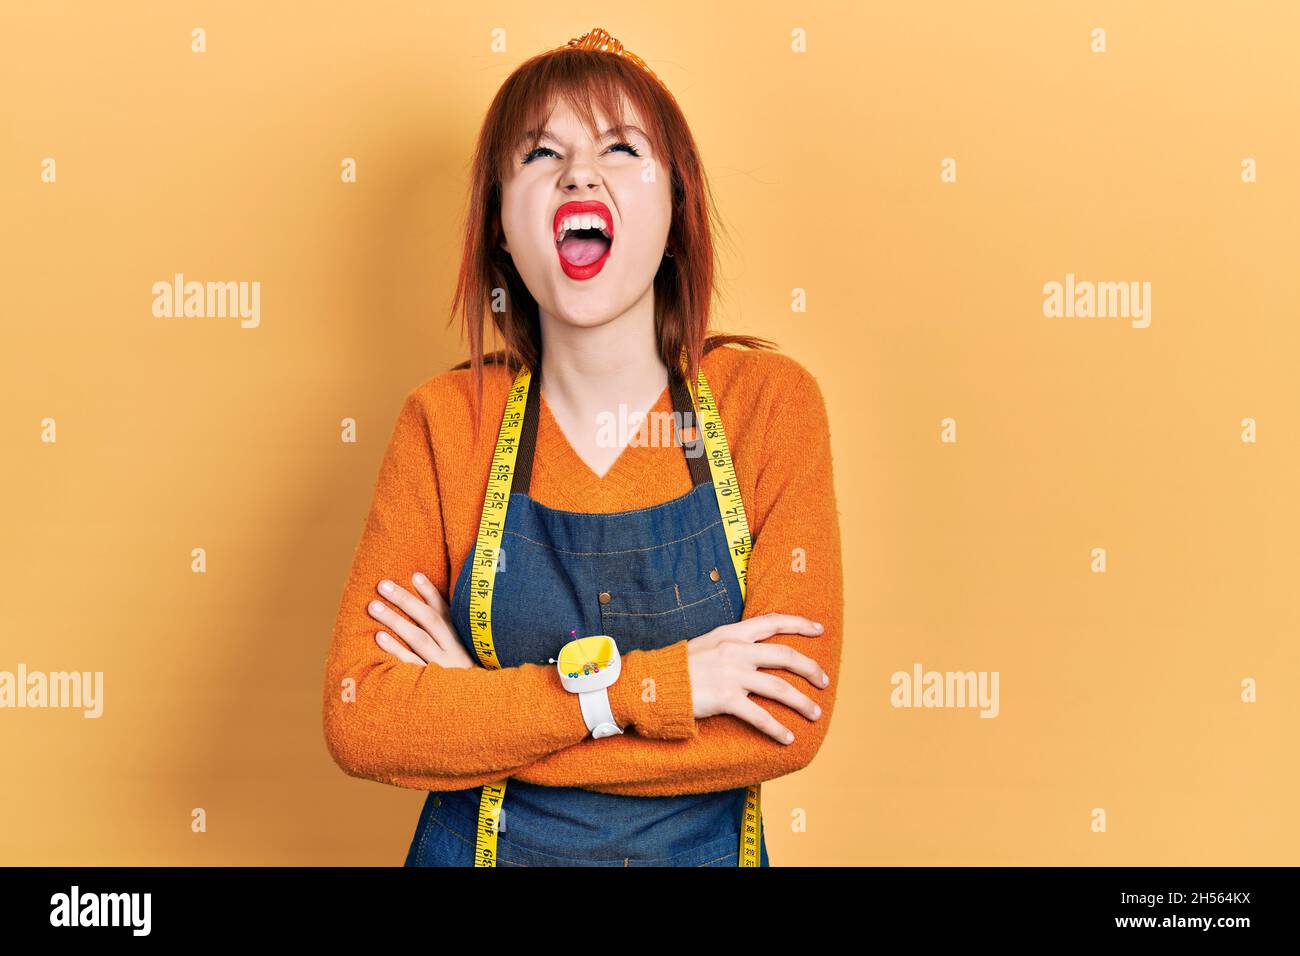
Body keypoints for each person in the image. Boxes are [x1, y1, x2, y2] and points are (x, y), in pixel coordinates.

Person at [322, 27, 844, 867]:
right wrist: (648, 693)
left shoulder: (766, 408)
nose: (579, 172)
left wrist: (480, 714)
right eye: (539, 154)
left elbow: (786, 722)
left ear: (677, 211)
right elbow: (363, 719)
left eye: (621, 146)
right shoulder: (445, 422)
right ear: (499, 224)